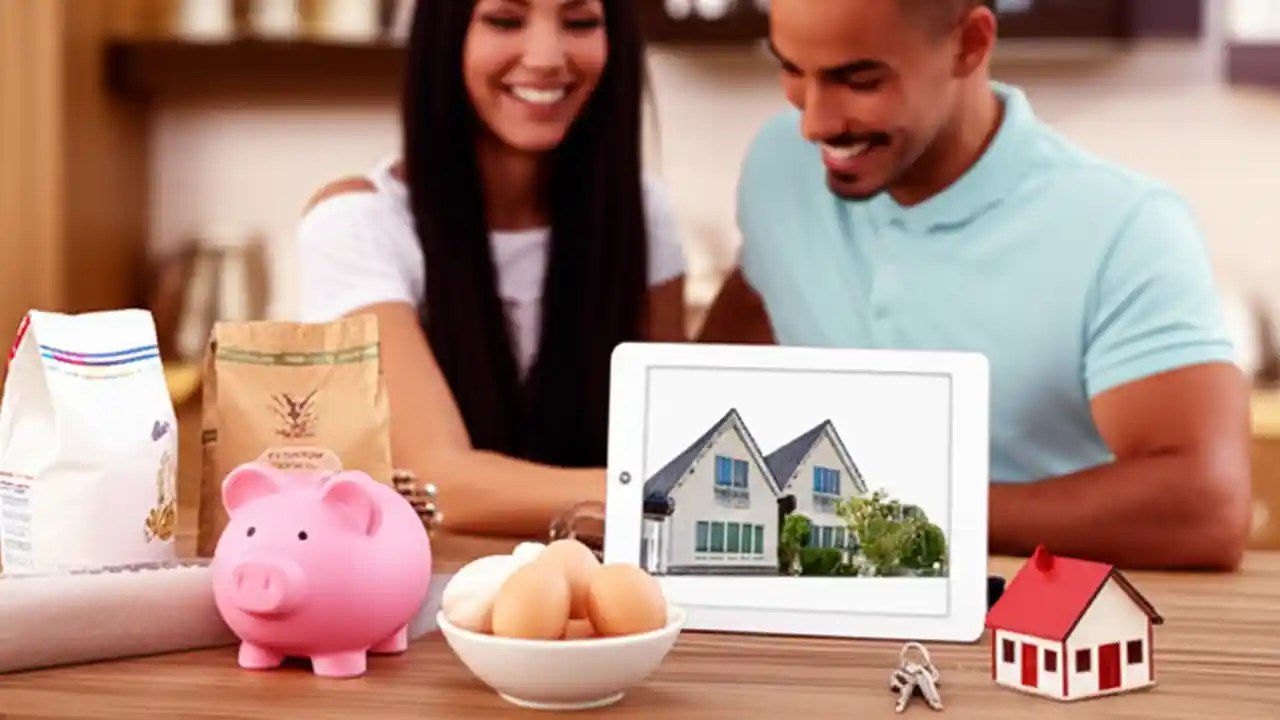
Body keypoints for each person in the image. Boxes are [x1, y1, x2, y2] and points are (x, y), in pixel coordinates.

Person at [699, 0, 1253, 570]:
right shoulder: (779, 165)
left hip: (1025, 615)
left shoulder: (1125, 225)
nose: (814, 121)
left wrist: (900, 518)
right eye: (791, 69)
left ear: (969, 44)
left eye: (860, 80)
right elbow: (727, 364)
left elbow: (1204, 507)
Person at [295, 0, 688, 538]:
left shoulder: (642, 215)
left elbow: (665, 440)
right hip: (426, 599)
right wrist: (687, 491)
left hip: (604, 596)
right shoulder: (359, 223)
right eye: (505, 20)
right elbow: (439, 484)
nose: (548, 57)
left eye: (580, 23)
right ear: (445, 37)